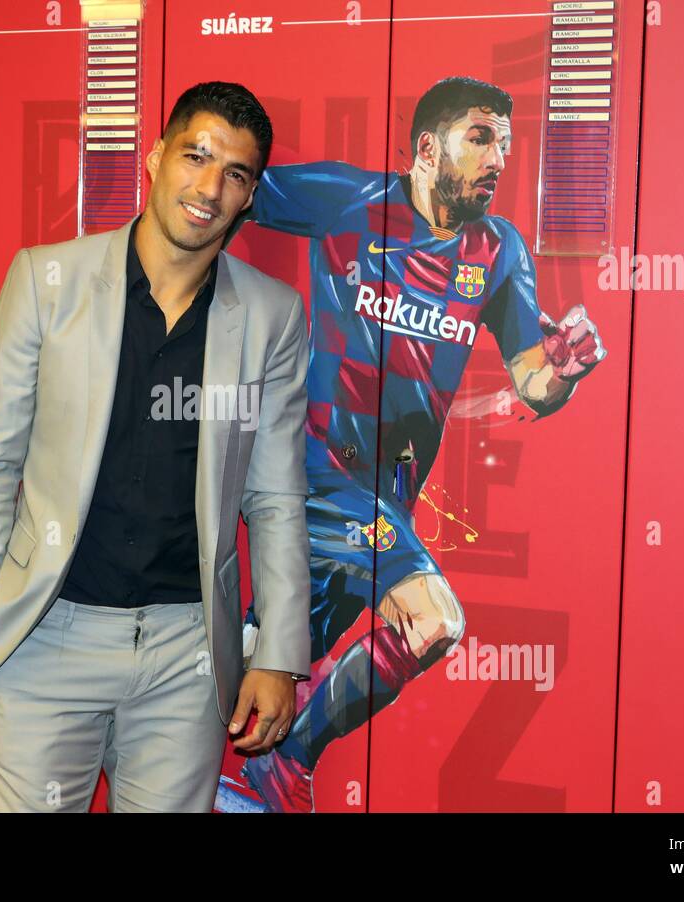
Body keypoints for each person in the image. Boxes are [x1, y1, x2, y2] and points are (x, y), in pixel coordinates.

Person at [233, 75, 606, 811]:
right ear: (428, 148)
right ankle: (281, 770)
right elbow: (233, 191)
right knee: (435, 622)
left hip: (388, 499)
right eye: (480, 137)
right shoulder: (352, 202)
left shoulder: (497, 251)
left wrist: (565, 368)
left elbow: (531, 381)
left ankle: (236, 775)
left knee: (271, 668)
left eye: (503, 139)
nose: (498, 155)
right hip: (313, 466)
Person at [0, 82, 311, 812]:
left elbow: (274, 497)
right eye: (196, 156)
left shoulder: (273, 317)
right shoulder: (47, 282)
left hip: (186, 657)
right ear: (155, 158)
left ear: (250, 197)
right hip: (45, 637)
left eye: (235, 174)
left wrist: (276, 652)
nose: (209, 187)